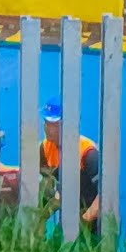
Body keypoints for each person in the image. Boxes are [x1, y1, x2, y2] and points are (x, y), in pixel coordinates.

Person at [38, 96, 102, 238]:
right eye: (46, 122)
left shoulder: (88, 153)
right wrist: (41, 218)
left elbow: (103, 198)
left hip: (95, 222)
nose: (47, 128)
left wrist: (84, 221)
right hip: (69, 219)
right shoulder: (45, 149)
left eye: (53, 124)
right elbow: (49, 189)